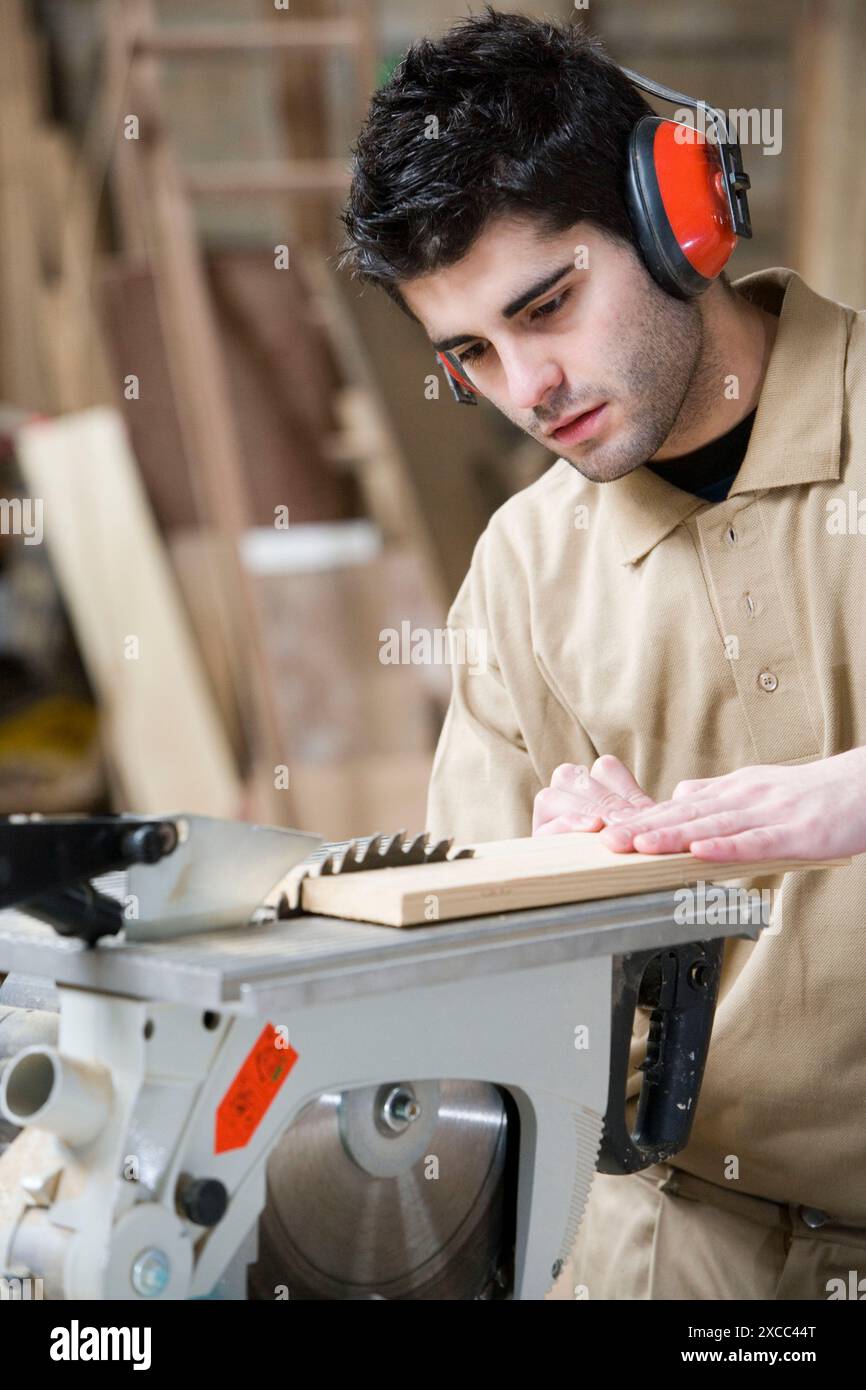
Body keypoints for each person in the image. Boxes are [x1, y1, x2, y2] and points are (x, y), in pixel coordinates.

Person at [337, 6, 866, 1300]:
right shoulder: (524, 571)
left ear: (677, 215)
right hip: (671, 1249)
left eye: (548, 304)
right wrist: (576, 884)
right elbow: (475, 997)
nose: (528, 387)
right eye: (470, 352)